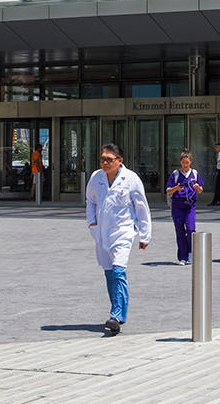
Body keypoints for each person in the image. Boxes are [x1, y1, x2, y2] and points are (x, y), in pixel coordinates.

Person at [85, 143, 151, 334]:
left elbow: (141, 207)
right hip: (101, 232)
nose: (105, 163)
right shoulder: (96, 177)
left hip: (123, 232)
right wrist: (92, 223)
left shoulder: (131, 179)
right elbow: (90, 201)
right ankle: (117, 314)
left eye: (109, 159)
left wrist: (145, 234)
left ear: (119, 160)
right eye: (102, 159)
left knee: (118, 271)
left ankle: (116, 314)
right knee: (109, 273)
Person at [165, 150, 203, 264]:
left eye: (187, 162)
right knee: (180, 230)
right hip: (177, 205)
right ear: (180, 162)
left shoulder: (194, 173)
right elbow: (168, 191)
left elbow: (200, 190)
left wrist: (197, 187)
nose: (185, 165)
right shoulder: (175, 174)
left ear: (190, 162)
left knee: (191, 228)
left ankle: (191, 252)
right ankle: (182, 256)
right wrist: (176, 188)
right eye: (183, 162)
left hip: (190, 205)